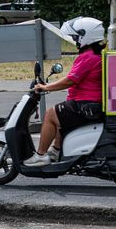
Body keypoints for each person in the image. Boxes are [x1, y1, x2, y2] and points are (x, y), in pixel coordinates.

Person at [23, 17, 106, 167]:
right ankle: (55, 152)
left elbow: (70, 81)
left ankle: (41, 155)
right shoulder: (95, 56)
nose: (74, 41)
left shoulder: (87, 57)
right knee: (61, 117)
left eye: (76, 37)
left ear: (85, 37)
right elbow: (73, 77)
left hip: (85, 104)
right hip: (89, 103)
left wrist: (46, 87)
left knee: (50, 115)